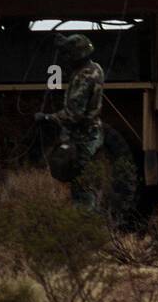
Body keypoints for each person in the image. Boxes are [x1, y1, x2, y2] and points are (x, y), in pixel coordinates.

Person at [36, 34, 106, 209]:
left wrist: (47, 117)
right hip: (92, 134)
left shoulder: (84, 77)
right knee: (85, 182)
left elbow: (74, 114)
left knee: (81, 185)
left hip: (82, 137)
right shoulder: (95, 68)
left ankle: (83, 222)